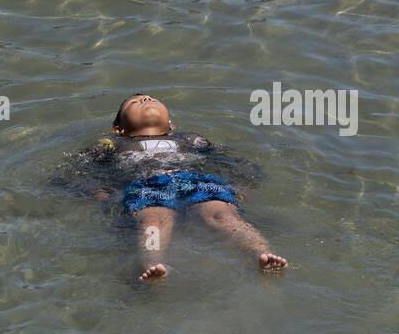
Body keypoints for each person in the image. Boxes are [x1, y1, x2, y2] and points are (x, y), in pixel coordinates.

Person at [59, 93, 288, 282]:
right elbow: (74, 171)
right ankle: (153, 263)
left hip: (196, 181)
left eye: (151, 99)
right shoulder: (112, 143)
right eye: (134, 102)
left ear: (170, 124)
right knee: (152, 222)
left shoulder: (189, 138)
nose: (145, 100)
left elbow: (229, 161)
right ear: (118, 128)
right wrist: (98, 192)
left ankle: (260, 253)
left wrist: (242, 184)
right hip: (147, 186)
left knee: (223, 215)